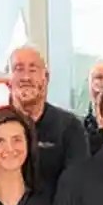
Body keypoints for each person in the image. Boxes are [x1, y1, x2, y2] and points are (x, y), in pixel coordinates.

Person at [8, 45, 90, 196]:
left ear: (46, 78)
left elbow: (77, 186)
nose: (26, 77)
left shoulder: (70, 127)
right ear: (9, 78)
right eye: (18, 69)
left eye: (33, 70)